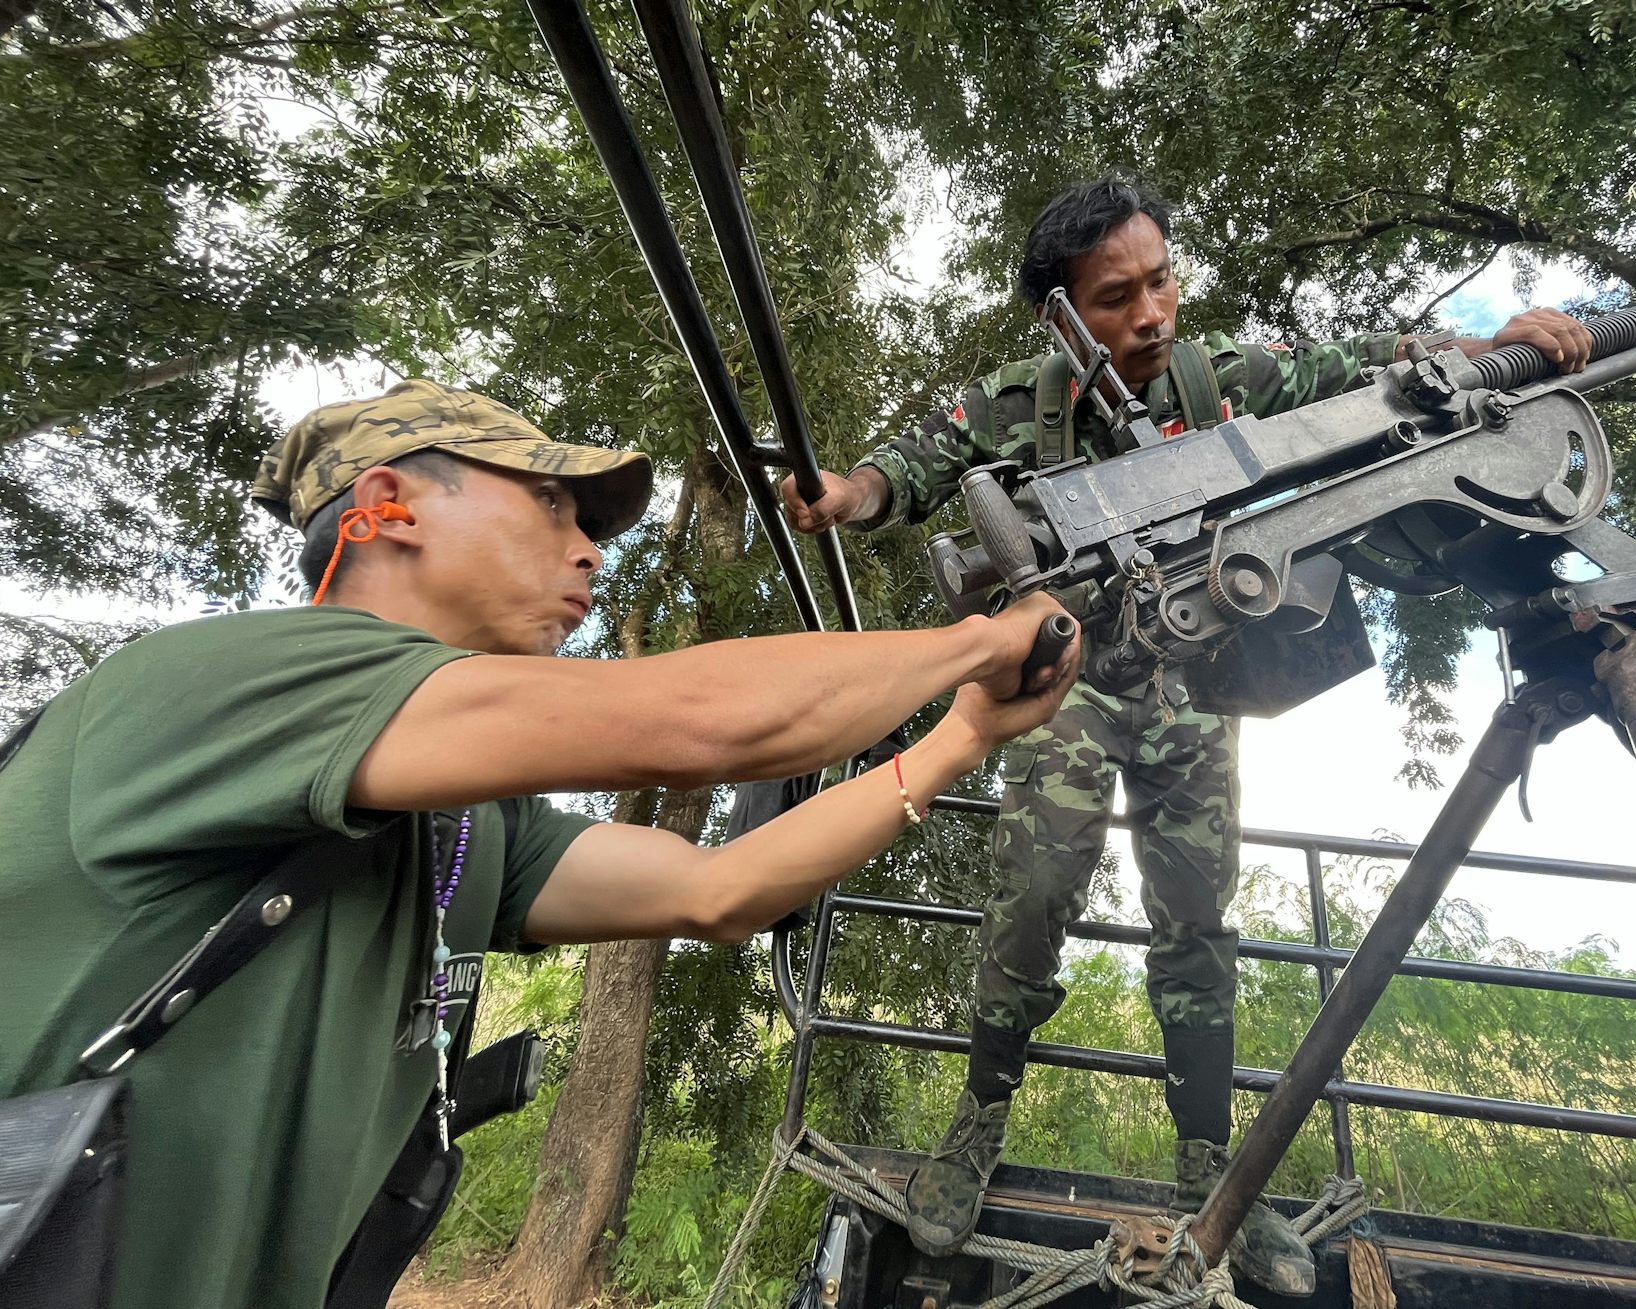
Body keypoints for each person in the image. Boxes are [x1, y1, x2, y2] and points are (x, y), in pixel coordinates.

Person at [0, 377, 1080, 1309]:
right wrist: (979, 640)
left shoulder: (466, 828)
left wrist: (964, 734)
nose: (588, 555)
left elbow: (724, 890)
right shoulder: (230, 678)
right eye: (554, 506)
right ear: (389, 507)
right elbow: (703, 726)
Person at [781, 173, 1593, 1293]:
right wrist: (845, 491)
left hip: (1198, 694)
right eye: (1117, 296)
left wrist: (1485, 345)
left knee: (1201, 927)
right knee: (1034, 889)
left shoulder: (1225, 380)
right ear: (1060, 314)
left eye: (1162, 280)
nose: (1152, 313)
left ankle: (1212, 1173)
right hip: (1069, 685)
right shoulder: (1022, 399)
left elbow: (1367, 367)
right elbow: (907, 469)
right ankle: (976, 1125)